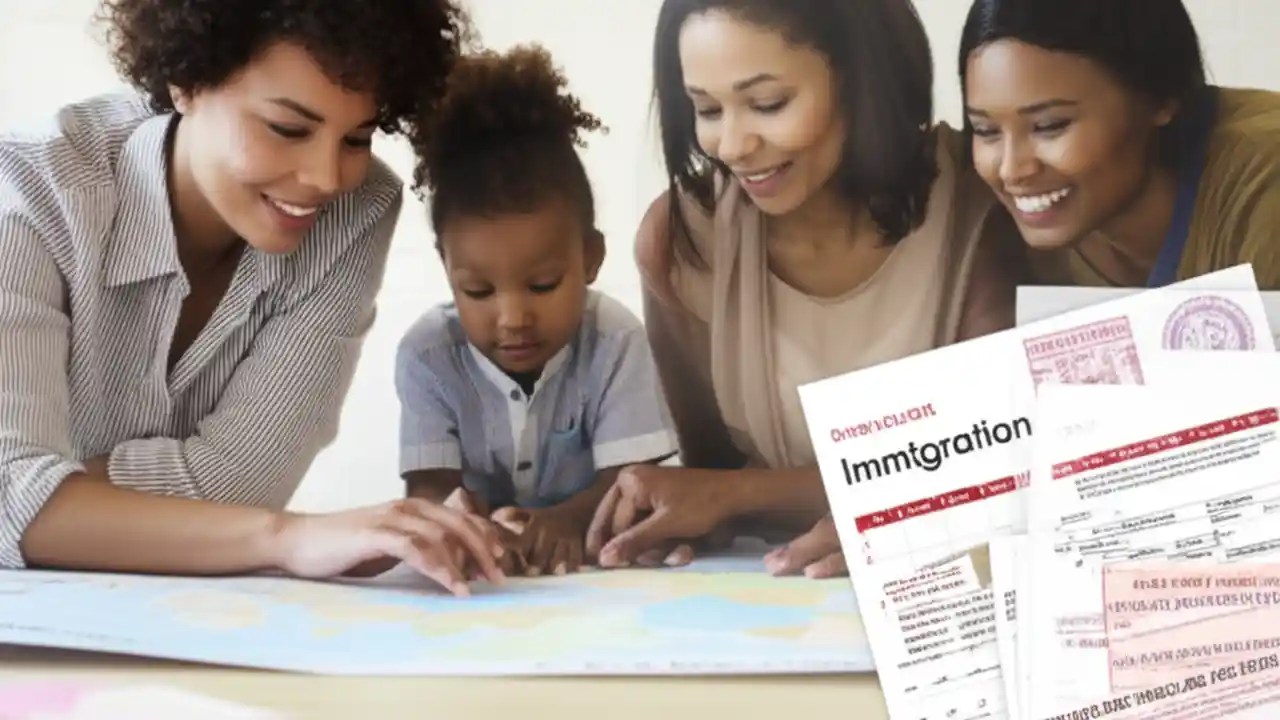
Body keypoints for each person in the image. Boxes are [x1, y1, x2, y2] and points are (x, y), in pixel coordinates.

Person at [0, 0, 505, 596]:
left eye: (357, 137)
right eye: (287, 129)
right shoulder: (31, 192)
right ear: (185, 81)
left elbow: (241, 483)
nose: (325, 176)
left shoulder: (357, 213)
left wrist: (63, 498)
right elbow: (10, 495)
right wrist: (284, 538)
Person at [586, 0, 1024, 576]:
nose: (733, 145)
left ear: (858, 79)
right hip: (770, 592)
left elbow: (990, 460)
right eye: (707, 108)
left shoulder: (980, 207)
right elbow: (705, 476)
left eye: (768, 104)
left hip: (938, 585)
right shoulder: (682, 242)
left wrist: (732, 495)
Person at [396, 45, 680, 577]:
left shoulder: (614, 340)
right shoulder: (427, 354)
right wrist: (468, 524)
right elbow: (429, 488)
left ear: (590, 257)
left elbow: (630, 480)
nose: (513, 317)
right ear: (446, 268)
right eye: (479, 291)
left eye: (543, 284)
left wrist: (566, 520)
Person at [959, 0, 1280, 289]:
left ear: (1161, 97)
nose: (1012, 170)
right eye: (986, 130)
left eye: (1049, 126)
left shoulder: (1265, 181)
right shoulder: (1013, 224)